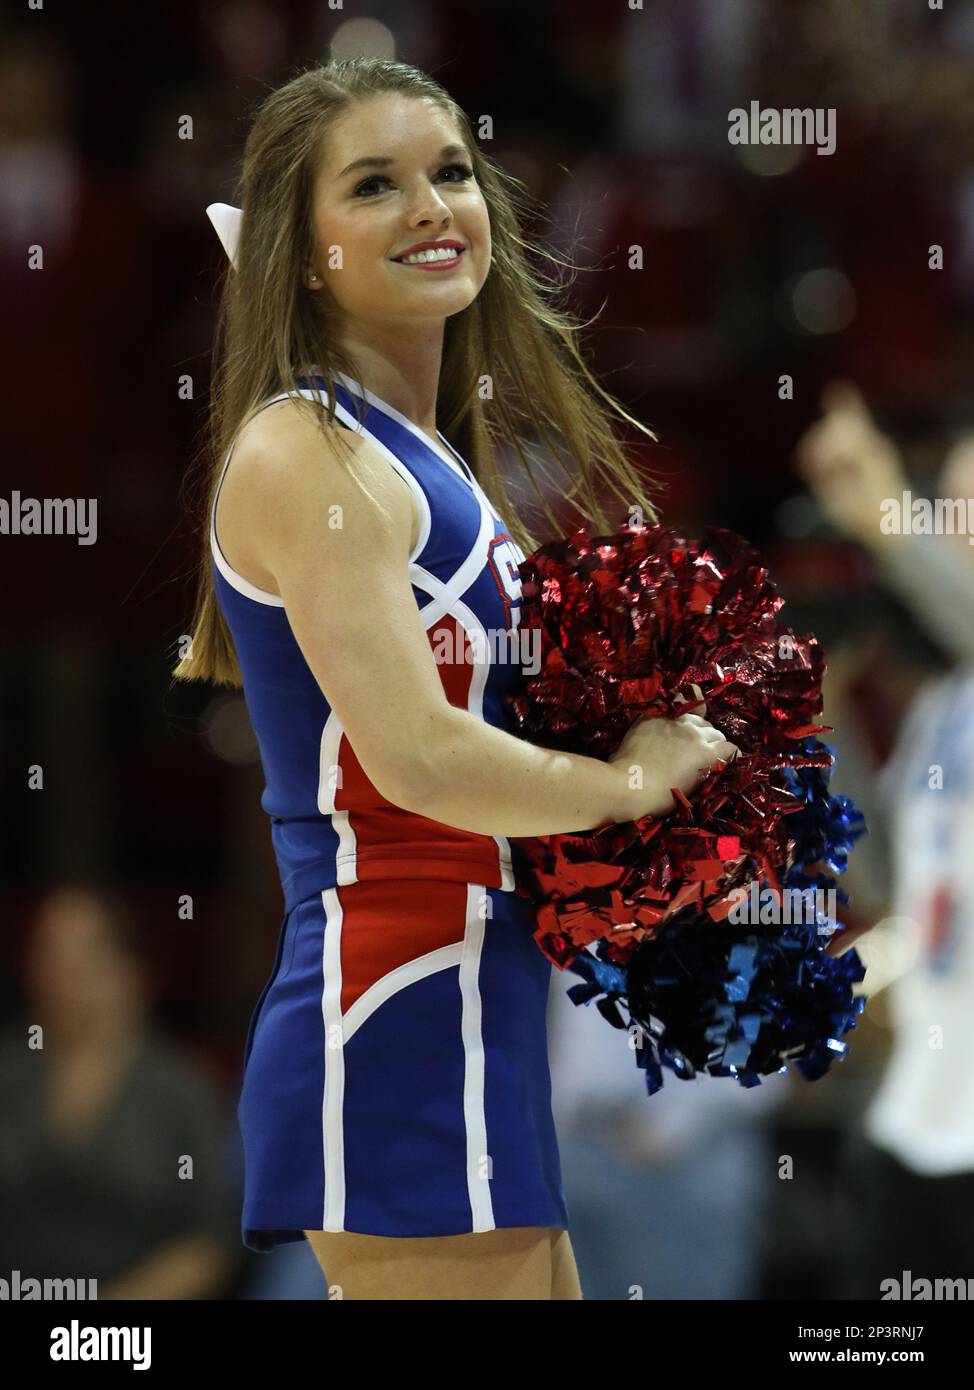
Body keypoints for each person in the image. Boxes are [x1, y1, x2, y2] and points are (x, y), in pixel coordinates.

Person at [173, 56, 739, 1301]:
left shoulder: (419, 449)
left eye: (449, 172)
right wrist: (626, 786)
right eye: (373, 186)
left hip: (479, 1004)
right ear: (302, 252)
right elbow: (416, 758)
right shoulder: (304, 450)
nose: (432, 206)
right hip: (390, 1016)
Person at [796, 382, 974, 1296]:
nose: (959, 536)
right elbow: (897, 884)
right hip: (919, 1120)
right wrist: (820, 731)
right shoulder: (947, 707)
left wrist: (887, 521)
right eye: (955, 513)